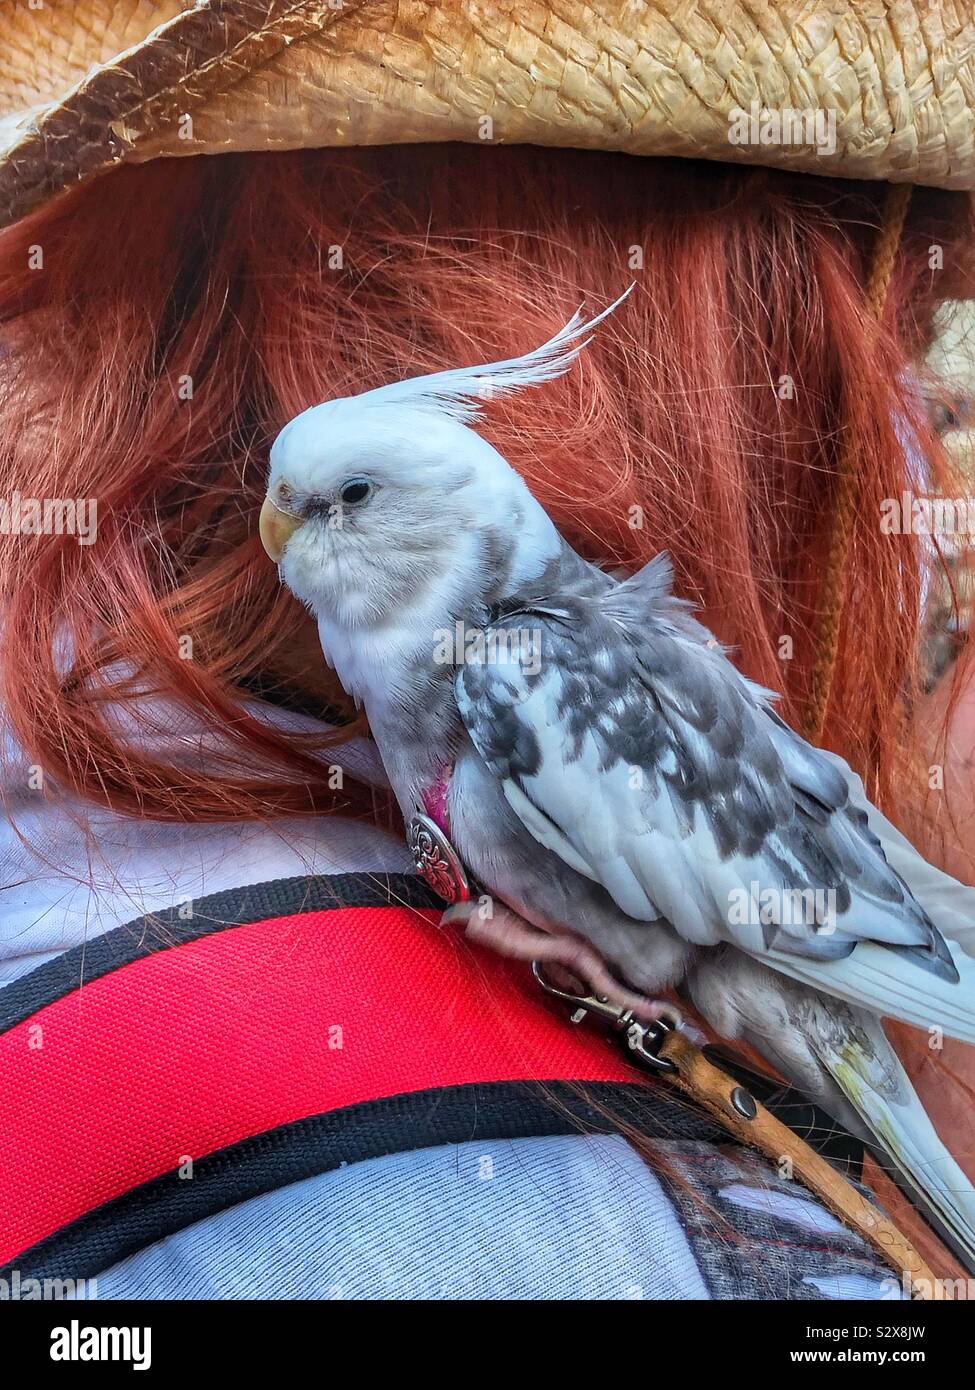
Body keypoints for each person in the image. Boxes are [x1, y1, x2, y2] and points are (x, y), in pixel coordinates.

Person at [0, 2, 973, 1300]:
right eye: (896, 327)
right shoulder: (494, 1208)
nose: (921, 431)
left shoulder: (90, 794)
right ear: (714, 336)